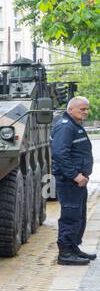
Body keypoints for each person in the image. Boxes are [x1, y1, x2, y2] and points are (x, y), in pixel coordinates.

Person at [52, 96, 93, 265]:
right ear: (70, 110)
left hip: (78, 181)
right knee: (70, 215)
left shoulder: (74, 125)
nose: (86, 112)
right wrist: (75, 175)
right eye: (82, 109)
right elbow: (60, 154)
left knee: (78, 215)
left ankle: (74, 247)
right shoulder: (65, 127)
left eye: (87, 109)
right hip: (69, 181)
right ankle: (66, 253)